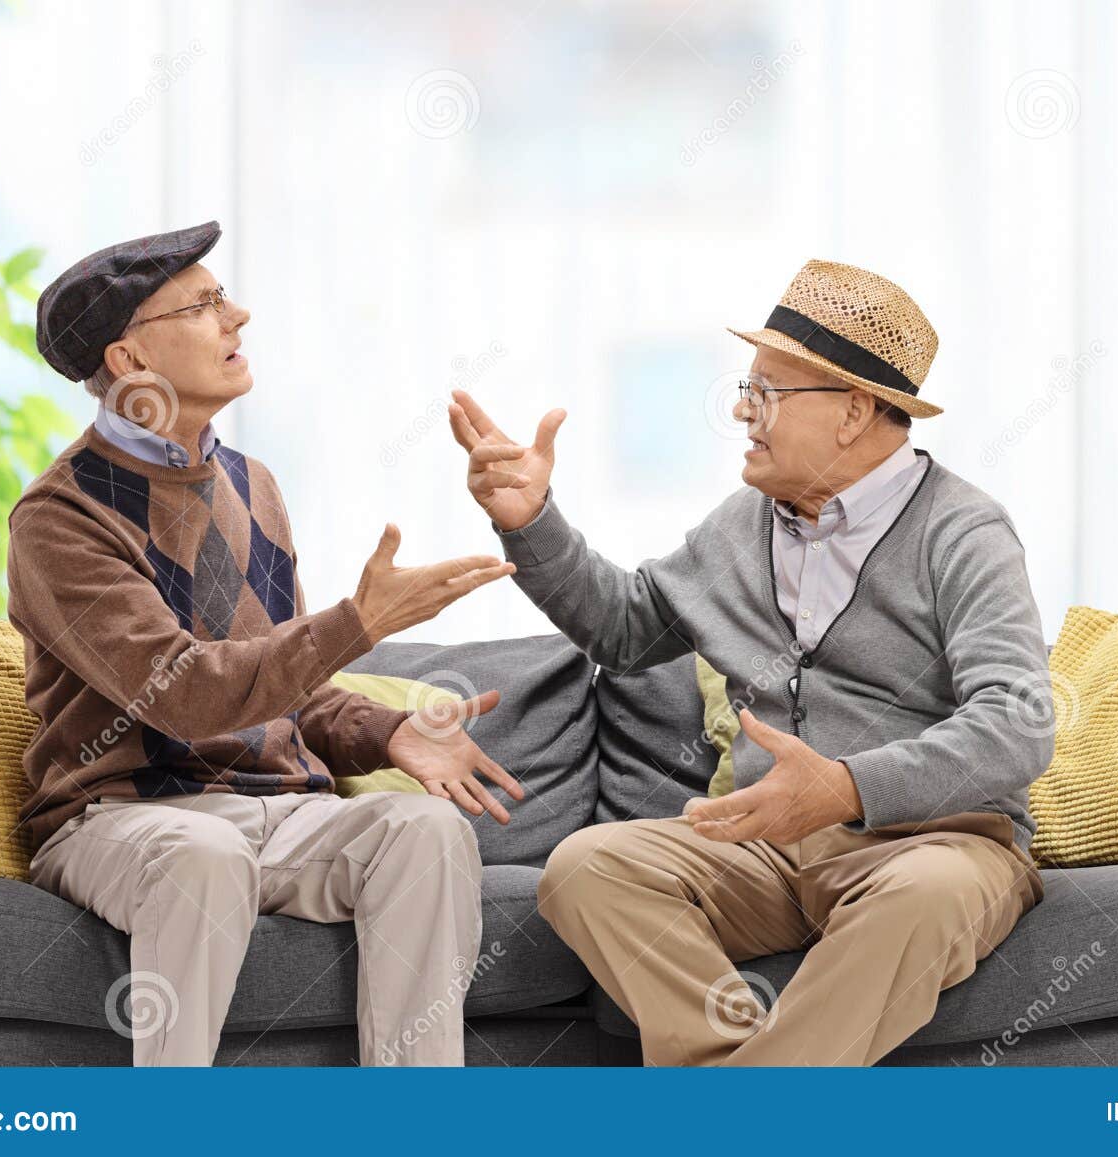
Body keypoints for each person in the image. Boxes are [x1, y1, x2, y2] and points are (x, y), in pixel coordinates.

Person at [449, 259, 1053, 1065]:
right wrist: (533, 522)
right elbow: (625, 630)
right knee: (586, 866)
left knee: (926, 896)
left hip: (932, 844)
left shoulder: (964, 532)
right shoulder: (742, 524)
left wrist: (844, 788)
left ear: (854, 411)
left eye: (766, 391)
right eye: (747, 386)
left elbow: (1018, 724)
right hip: (766, 852)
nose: (741, 410)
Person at [10, 221, 521, 1066]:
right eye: (206, 304)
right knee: (202, 852)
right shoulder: (60, 518)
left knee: (425, 832)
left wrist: (387, 732)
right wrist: (360, 621)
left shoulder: (254, 484)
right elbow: (178, 692)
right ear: (130, 361)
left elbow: (288, 683)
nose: (238, 315)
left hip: (278, 812)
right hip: (124, 816)